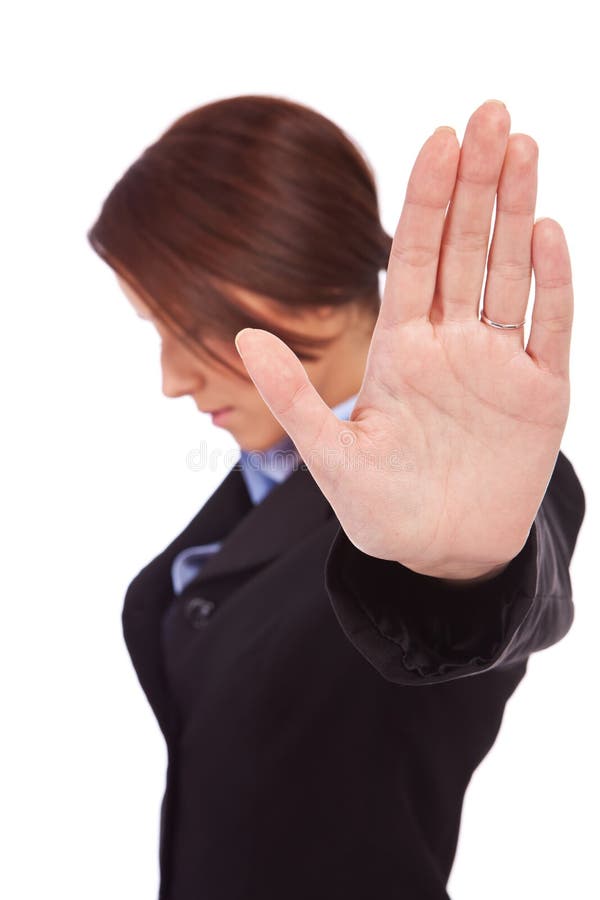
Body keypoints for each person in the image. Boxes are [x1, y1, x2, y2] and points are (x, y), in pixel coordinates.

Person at [87, 95, 586, 900]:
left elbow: (488, 603)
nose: (171, 380)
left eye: (187, 328)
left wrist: (459, 566)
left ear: (306, 289)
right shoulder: (257, 481)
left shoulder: (479, 491)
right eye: (156, 331)